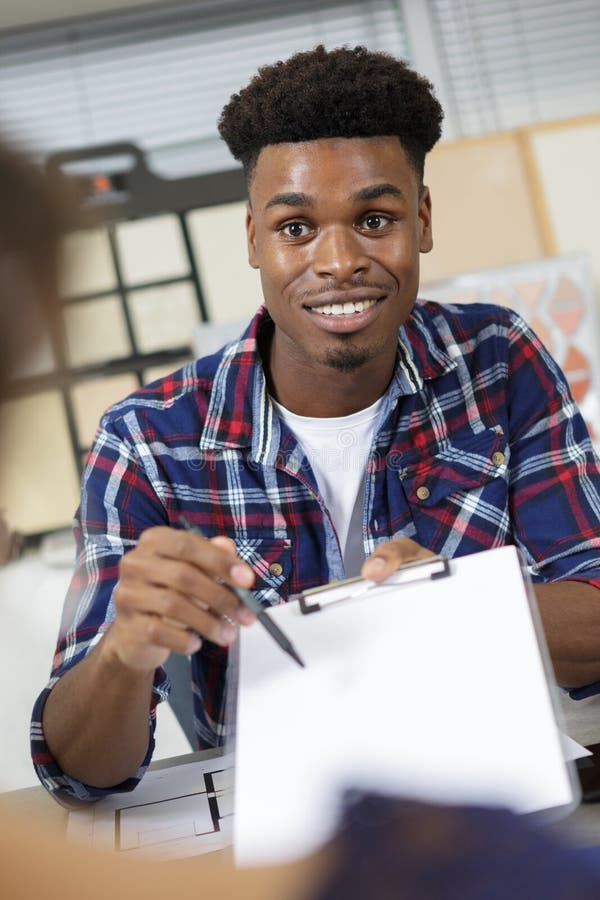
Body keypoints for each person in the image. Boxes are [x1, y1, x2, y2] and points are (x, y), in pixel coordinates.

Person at [32, 44, 600, 807]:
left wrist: (461, 602)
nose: (338, 261)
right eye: (296, 228)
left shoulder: (494, 359)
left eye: (374, 219)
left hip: (484, 789)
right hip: (266, 818)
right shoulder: (145, 441)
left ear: (421, 220)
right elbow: (77, 771)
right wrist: (124, 652)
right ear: (253, 239)